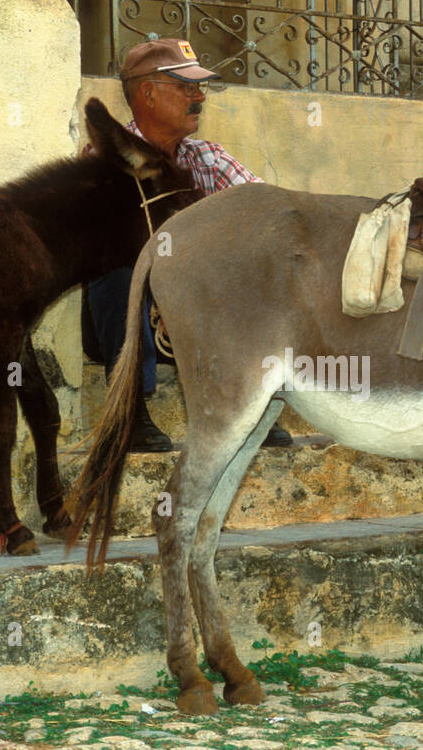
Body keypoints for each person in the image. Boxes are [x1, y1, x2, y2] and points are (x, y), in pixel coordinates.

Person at [83, 38, 292, 452]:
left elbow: (267, 209)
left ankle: (249, 407)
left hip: (193, 320)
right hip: (133, 319)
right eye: (186, 87)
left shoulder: (206, 157)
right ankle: (129, 412)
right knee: (117, 269)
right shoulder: (106, 156)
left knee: (262, 264)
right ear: (148, 93)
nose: (199, 97)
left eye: (200, 88)